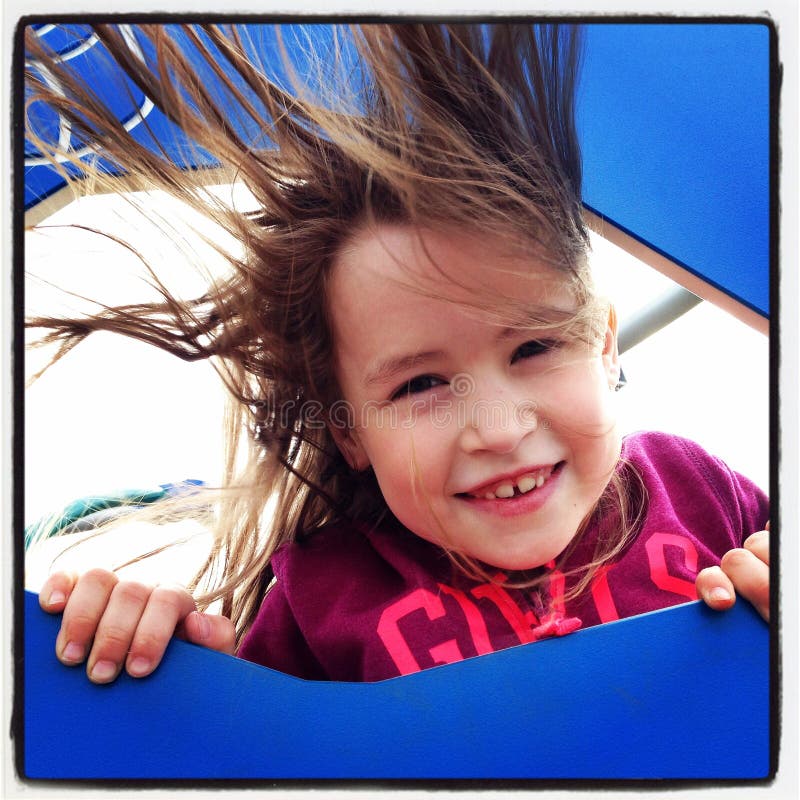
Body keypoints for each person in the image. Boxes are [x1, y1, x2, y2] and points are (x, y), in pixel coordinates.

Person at [26, 22, 770, 684]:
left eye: (536, 346)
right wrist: (166, 666)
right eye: (420, 385)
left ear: (604, 344)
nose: (500, 429)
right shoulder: (323, 601)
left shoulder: (696, 490)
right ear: (348, 428)